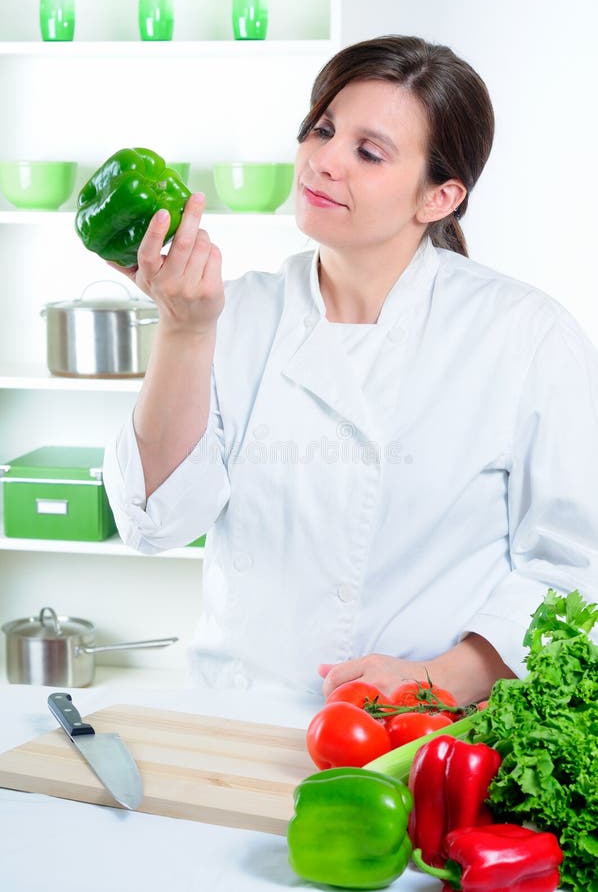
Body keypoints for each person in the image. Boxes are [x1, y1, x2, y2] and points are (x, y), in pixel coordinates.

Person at [103, 35, 598, 704]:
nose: (323, 161)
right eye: (323, 129)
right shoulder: (233, 313)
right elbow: (153, 522)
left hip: (422, 736)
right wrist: (184, 331)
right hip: (236, 721)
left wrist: (434, 680)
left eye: (368, 152)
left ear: (440, 197)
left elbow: (573, 570)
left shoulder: (522, 335)